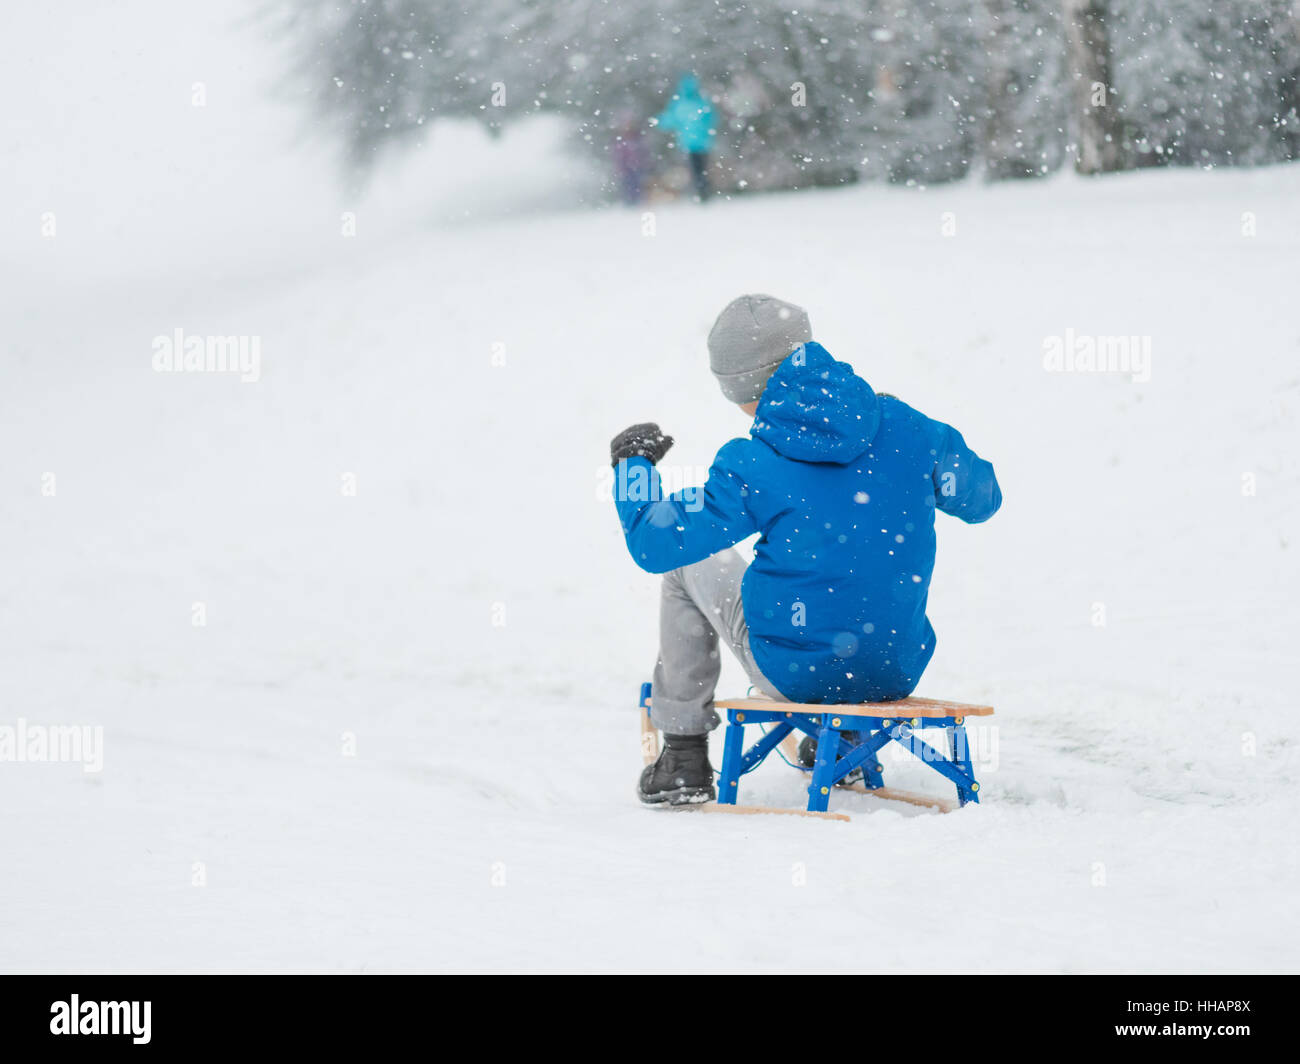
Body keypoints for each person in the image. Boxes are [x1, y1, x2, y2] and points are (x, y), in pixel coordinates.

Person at [609, 295, 1002, 806]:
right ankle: (842, 741)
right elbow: (984, 499)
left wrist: (631, 470)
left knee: (688, 565)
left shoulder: (753, 461)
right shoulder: (909, 428)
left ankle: (683, 754)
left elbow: (655, 544)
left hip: (794, 672)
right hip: (892, 667)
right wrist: (909, 449)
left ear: (741, 385)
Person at [654, 75, 716, 201]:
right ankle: (703, 191)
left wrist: (658, 121)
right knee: (702, 169)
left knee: (694, 170)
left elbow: (670, 120)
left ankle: (699, 191)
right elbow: (712, 119)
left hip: (688, 143)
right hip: (703, 143)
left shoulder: (679, 104)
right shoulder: (702, 103)